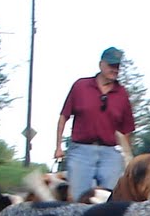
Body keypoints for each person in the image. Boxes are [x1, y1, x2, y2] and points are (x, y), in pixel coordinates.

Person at [54, 46, 134, 200]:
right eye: (111, 65)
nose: (114, 70)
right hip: (81, 151)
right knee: (79, 199)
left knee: (111, 199)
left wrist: (126, 157)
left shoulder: (122, 94)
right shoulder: (80, 86)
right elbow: (64, 116)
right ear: (101, 64)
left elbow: (126, 130)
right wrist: (58, 147)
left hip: (110, 153)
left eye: (117, 66)